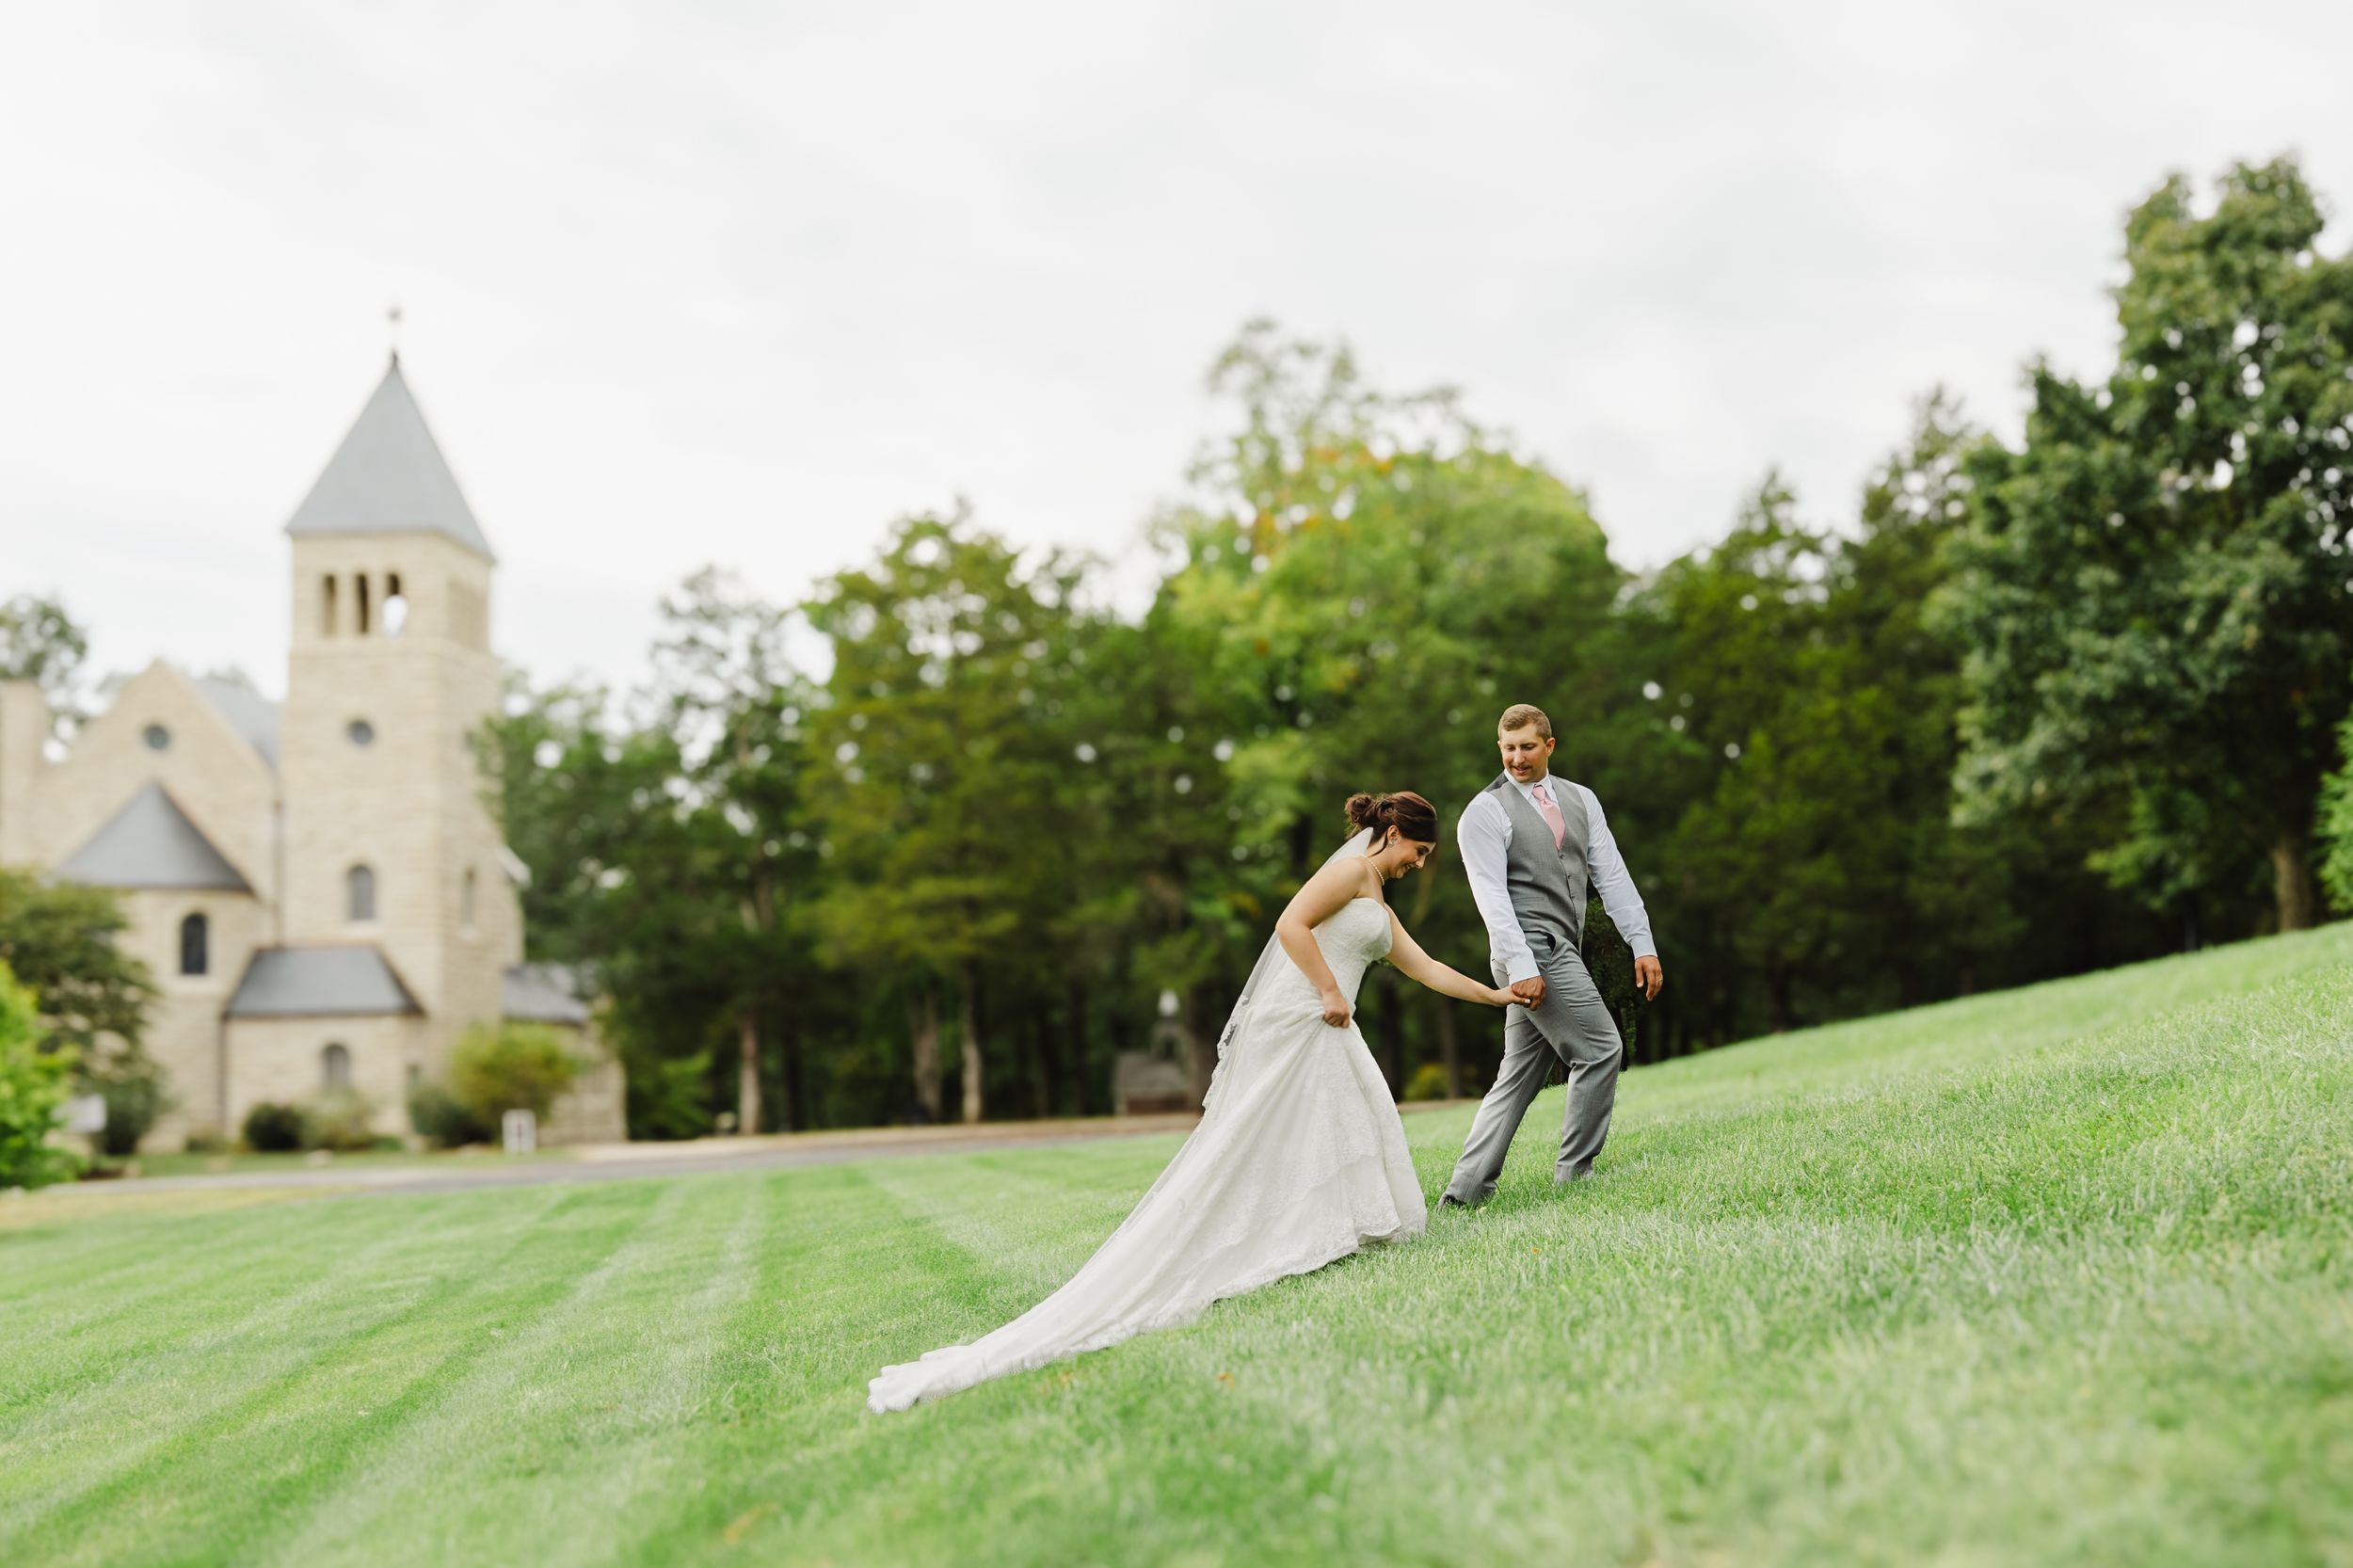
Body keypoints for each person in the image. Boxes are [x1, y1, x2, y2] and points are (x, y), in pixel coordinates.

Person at [867, 790, 1512, 1412]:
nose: (1418, 865)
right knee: (1247, 1143)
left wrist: (1497, 997)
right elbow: (1290, 923)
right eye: (1419, 852)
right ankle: (1248, 1238)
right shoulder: (1347, 873)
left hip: (1326, 1023)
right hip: (1302, 1017)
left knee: (1355, 1114)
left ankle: (1341, 1228)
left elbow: (1427, 969)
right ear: (1394, 834)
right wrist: (1328, 990)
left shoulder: (1375, 897)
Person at [1440, 704, 1664, 1206]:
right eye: (1508, 748)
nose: (1516, 758)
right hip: (1530, 950)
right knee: (1601, 1048)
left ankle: (1465, 1192)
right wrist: (1521, 967)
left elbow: (1612, 876)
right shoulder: (1485, 811)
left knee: (1518, 1075)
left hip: (1563, 946)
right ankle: (1575, 1176)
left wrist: (1642, 943)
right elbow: (1491, 898)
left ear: (1549, 746)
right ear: (1499, 747)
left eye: (1527, 747)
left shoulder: (1581, 799)